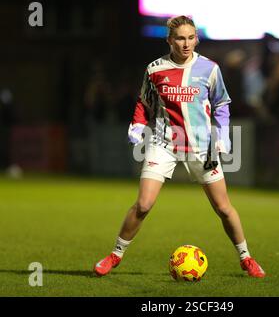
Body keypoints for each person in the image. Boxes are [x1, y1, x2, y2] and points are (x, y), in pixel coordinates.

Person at [94, 16, 265, 278]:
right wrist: (138, 125)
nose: (186, 44)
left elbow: (221, 104)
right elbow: (144, 102)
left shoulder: (209, 69)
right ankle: (115, 255)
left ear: (196, 38)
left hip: (202, 146)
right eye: (180, 38)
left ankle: (246, 258)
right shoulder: (155, 69)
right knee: (143, 205)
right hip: (163, 143)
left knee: (223, 208)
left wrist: (222, 134)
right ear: (169, 40)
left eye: (191, 37)